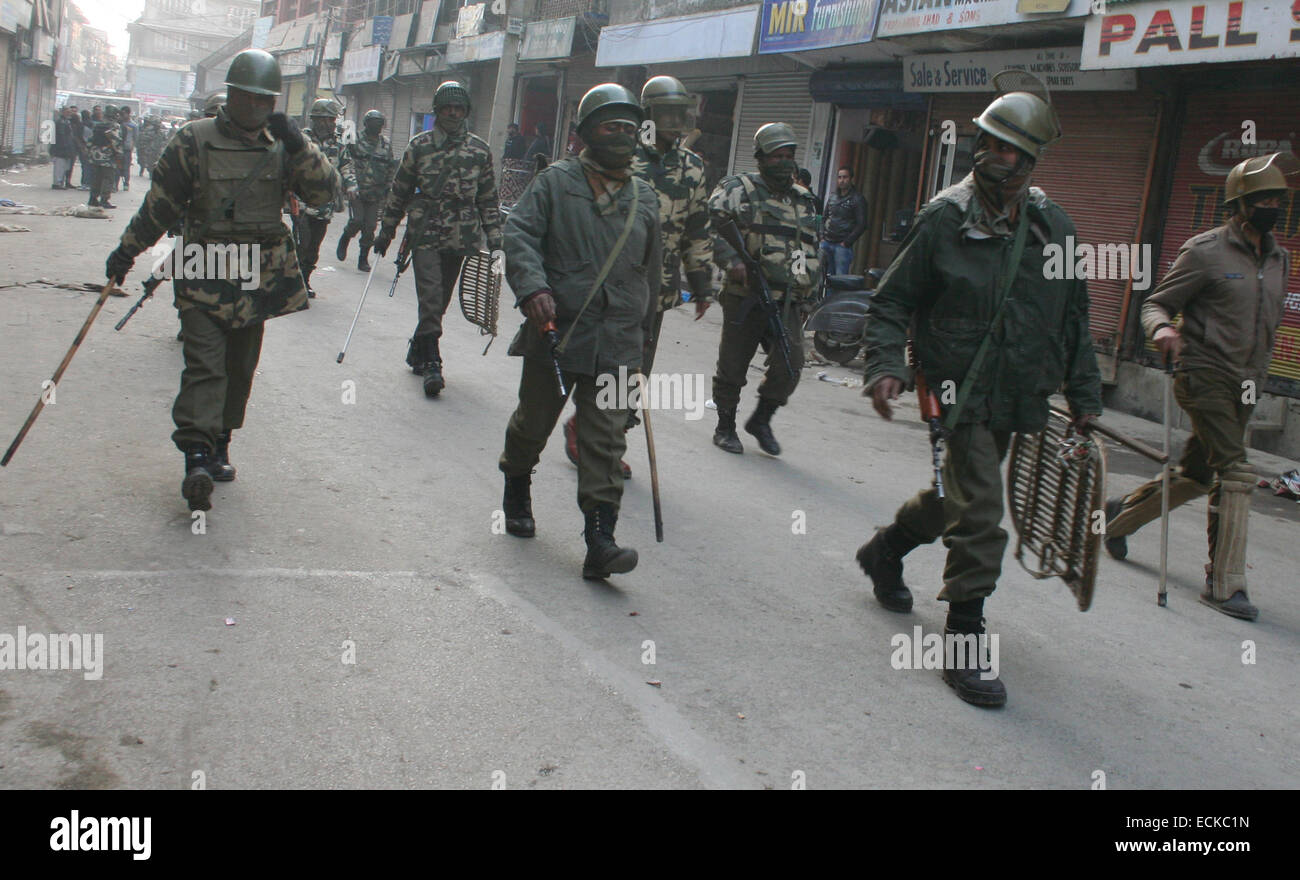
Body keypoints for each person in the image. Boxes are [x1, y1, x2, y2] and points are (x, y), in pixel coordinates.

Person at [857, 82, 1102, 708]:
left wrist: (1086, 400)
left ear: (1031, 160)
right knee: (983, 515)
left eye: (1008, 149)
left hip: (1016, 394)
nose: (992, 155)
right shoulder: (946, 216)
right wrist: (884, 365)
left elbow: (1074, 319)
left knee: (958, 499)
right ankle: (964, 641)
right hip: (954, 390)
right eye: (986, 142)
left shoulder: (1055, 229)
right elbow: (892, 300)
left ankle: (885, 550)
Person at [102, 49, 340, 512]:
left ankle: (221, 441)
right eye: (246, 97)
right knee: (204, 364)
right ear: (230, 94)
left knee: (240, 365)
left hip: (256, 274)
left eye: (262, 99)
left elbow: (324, 192)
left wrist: (299, 145)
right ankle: (196, 454)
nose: (254, 106)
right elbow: (162, 203)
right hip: (203, 267)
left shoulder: (283, 144)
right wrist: (127, 251)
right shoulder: (194, 139)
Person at [1103, 151, 1298, 622]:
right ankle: (1224, 584)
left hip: (1248, 385)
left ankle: (1119, 516)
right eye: (1263, 198)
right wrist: (1162, 330)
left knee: (1197, 474)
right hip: (1203, 374)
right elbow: (1156, 303)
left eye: (1278, 198)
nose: (1273, 205)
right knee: (1236, 472)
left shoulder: (1279, 258)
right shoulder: (1205, 250)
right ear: (1239, 202)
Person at [496, 83, 662, 580]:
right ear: (586, 131)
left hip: (617, 341)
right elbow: (519, 233)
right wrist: (532, 288)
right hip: (558, 332)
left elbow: (650, 278)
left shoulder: (646, 197)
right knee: (534, 421)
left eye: (630, 129)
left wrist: (642, 354)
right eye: (612, 127)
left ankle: (600, 540)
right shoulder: (554, 183)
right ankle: (516, 482)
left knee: (606, 441)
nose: (622, 136)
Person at [562, 74, 713, 479]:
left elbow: (697, 228)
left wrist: (700, 282)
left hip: (656, 292)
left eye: (681, 113)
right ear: (648, 115)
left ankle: (599, 435)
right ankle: (591, 432)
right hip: (607, 284)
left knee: (634, 371)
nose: (674, 121)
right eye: (665, 113)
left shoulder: (693, 169)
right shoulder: (622, 156)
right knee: (597, 363)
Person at [375, 81, 502, 397]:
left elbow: (488, 199)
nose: (452, 113)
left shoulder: (479, 151)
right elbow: (400, 192)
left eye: (458, 108)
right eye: (447, 108)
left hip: (462, 237)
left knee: (441, 300)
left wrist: (497, 240)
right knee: (430, 297)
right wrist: (386, 231)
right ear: (437, 111)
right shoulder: (420, 147)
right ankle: (433, 362)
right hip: (425, 233)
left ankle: (418, 347)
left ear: (466, 112)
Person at [708, 122, 820, 457]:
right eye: (776, 156)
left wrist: (807, 293)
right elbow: (706, 227)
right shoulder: (737, 189)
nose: (784, 162)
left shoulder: (805, 200)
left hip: (787, 299)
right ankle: (724, 426)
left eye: (789, 155)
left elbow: (809, 247)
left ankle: (761, 419)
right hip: (746, 295)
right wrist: (732, 261)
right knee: (733, 365)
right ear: (761, 158)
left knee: (791, 363)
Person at [295, 98, 345, 297]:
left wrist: (351, 186)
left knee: (314, 247)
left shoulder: (338, 144)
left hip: (324, 207)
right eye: (329, 119)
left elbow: (346, 166)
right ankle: (295, 282)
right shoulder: (301, 140)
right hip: (302, 205)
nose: (332, 123)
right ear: (318, 119)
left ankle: (305, 279)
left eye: (333, 120)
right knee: (302, 243)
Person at [336, 109, 395, 271]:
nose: (375, 126)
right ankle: (345, 237)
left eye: (378, 124)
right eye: (372, 123)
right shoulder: (356, 140)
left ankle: (363, 258)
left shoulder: (385, 144)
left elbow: (390, 167)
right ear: (366, 124)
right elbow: (345, 159)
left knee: (370, 227)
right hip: (357, 190)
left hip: (376, 193)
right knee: (357, 220)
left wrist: (388, 189)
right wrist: (347, 184)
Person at [820, 166, 867, 276]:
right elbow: (823, 218)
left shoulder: (857, 199)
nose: (842, 180)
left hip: (842, 246)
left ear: (851, 179)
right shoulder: (832, 197)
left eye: (845, 177)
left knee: (840, 279)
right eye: (839, 177)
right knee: (824, 278)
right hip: (826, 242)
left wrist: (846, 242)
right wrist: (821, 236)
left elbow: (862, 224)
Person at [87, 105, 122, 209]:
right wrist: (119, 154)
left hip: (95, 154)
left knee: (96, 178)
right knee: (108, 178)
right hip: (107, 156)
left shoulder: (98, 124)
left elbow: (91, 139)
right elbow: (115, 141)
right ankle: (104, 200)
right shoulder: (115, 126)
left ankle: (93, 199)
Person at [51, 107, 79, 189]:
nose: (69, 113)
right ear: (62, 112)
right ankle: (57, 183)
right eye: (67, 112)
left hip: (65, 148)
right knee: (60, 166)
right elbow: (61, 136)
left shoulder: (66, 121)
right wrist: (65, 146)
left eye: (70, 112)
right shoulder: (61, 122)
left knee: (64, 166)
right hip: (61, 148)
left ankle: (60, 182)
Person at [117, 106, 137, 190]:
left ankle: (126, 184)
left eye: (123, 114)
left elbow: (135, 138)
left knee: (126, 167)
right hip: (117, 148)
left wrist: (132, 147)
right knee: (117, 167)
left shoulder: (133, 125)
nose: (122, 115)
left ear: (128, 114)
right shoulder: (118, 123)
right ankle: (115, 184)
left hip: (127, 148)